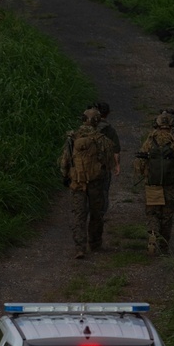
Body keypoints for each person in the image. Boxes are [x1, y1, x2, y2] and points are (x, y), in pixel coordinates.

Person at [59, 107, 115, 258]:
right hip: (96, 183)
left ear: (83, 120)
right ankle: (95, 243)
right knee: (97, 213)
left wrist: (65, 175)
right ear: (98, 122)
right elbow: (109, 164)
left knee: (79, 214)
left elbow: (65, 161)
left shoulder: (73, 138)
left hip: (77, 182)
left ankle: (80, 247)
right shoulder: (103, 140)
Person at [133, 111, 174, 256]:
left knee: (153, 212)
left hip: (152, 183)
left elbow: (139, 163)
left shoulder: (150, 141)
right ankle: (164, 246)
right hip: (170, 184)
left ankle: (153, 233)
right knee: (167, 215)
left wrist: (145, 173)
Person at [93, 101, 121, 219]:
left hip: (89, 165)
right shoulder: (110, 130)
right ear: (108, 113)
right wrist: (117, 165)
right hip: (104, 167)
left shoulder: (90, 128)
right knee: (104, 190)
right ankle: (101, 214)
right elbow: (116, 150)